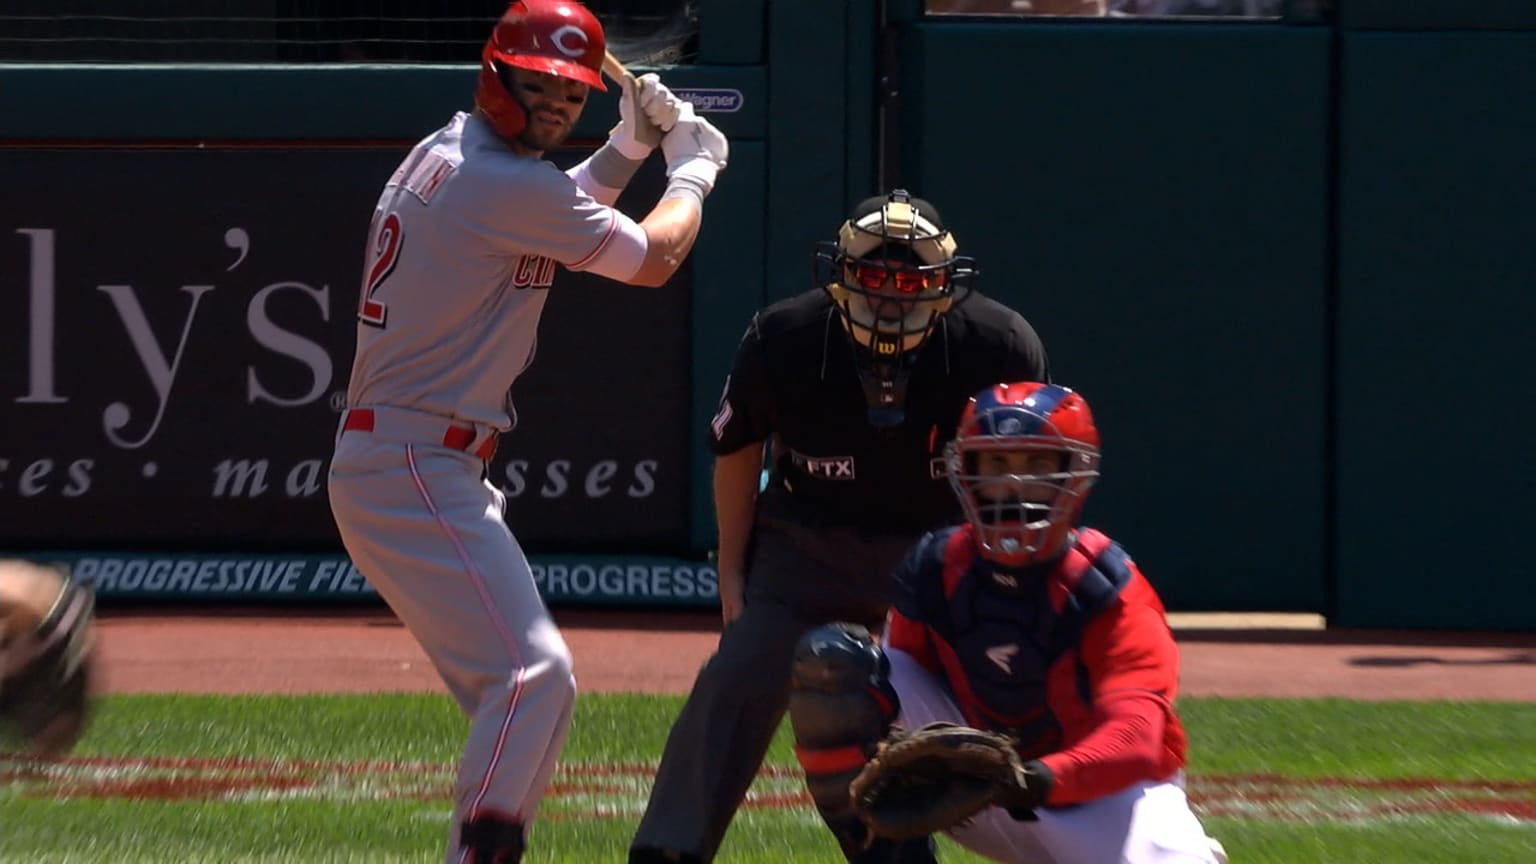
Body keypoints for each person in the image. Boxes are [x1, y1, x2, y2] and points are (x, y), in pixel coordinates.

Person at [325, 1, 728, 861]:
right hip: (413, 461)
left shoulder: (456, 150)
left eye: (572, 93)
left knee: (531, 692)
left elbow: (549, 221)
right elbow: (650, 259)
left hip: (414, 459)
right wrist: (692, 174)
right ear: (496, 72)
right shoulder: (500, 180)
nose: (555, 104)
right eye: (540, 83)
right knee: (532, 678)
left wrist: (625, 150)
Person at [630, 191, 1052, 863]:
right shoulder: (786, 336)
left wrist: (1007, 590)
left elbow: (1033, 472)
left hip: (941, 559)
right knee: (736, 678)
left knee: (1023, 700)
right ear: (842, 275)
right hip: (806, 553)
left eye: (910, 281)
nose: (891, 298)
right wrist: (733, 575)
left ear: (946, 284)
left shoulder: (998, 344)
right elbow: (737, 450)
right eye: (878, 277)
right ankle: (667, 853)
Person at [786, 381, 1228, 863]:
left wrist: (1037, 779)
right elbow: (894, 689)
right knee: (832, 666)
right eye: (997, 465)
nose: (1014, 484)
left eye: (1035, 464)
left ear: (1073, 472)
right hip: (979, 786)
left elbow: (1137, 737)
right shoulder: (936, 567)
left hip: (1098, 795)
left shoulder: (1107, 586)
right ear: (967, 471)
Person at [0, 558, 96, 759]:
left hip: (48, 616)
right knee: (53, 742)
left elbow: (18, 610)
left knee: (53, 738)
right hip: (58, 601)